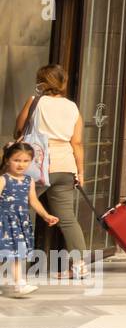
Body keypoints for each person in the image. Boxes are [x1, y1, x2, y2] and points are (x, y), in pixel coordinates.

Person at [13, 65, 89, 280]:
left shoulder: (35, 102)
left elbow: (19, 129)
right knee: (68, 219)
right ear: (63, 83)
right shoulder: (72, 107)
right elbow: (77, 142)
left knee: (15, 209)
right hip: (65, 166)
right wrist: (80, 172)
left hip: (37, 166)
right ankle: (80, 266)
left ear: (41, 81)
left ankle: (12, 263)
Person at [0, 141, 59, 297]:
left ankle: (19, 284)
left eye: (26, 161)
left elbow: (33, 201)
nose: (21, 164)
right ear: (7, 160)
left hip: (20, 223)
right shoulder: (3, 179)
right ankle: (19, 284)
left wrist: (46, 215)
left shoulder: (29, 180)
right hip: (3, 222)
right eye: (16, 160)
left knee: (18, 254)